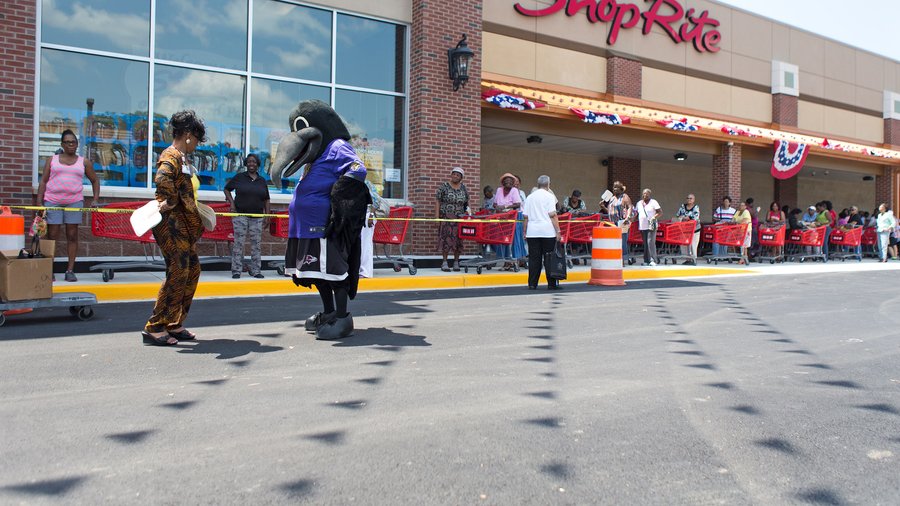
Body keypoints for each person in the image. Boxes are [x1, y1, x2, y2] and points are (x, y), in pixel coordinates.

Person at [141, 110, 207, 346]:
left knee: (192, 269)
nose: (197, 145)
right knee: (178, 271)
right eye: (197, 139)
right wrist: (171, 201)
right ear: (188, 135)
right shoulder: (171, 156)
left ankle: (174, 322)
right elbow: (162, 178)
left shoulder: (183, 157)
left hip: (182, 227)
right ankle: (155, 326)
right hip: (170, 225)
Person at [36, 129, 100, 282]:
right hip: (52, 200)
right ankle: (49, 270)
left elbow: (95, 180)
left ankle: (70, 270)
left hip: (74, 202)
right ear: (62, 144)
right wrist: (39, 202)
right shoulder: (52, 160)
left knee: (72, 235)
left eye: (74, 142)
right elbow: (43, 181)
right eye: (68, 142)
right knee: (52, 236)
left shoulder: (83, 162)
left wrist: (95, 199)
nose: (71, 144)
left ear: (77, 144)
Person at [224, 153, 270, 279]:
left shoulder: (262, 181)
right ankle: (236, 270)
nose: (251, 164)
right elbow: (227, 189)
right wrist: (232, 204)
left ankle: (256, 270)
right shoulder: (239, 177)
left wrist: (267, 215)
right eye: (249, 162)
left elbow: (266, 199)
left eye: (254, 162)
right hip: (240, 215)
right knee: (238, 243)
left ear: (258, 165)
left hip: (257, 216)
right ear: (246, 163)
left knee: (256, 244)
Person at [523, 175, 563, 290]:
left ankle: (532, 283)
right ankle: (551, 283)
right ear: (548, 184)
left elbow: (525, 217)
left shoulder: (530, 197)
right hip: (547, 232)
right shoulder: (549, 196)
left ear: (538, 184)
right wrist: (558, 231)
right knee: (549, 258)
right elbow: (553, 215)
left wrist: (524, 231)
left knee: (534, 259)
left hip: (532, 232)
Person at [435, 167, 469, 272]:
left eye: (458, 175)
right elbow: (438, 201)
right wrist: (437, 217)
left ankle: (456, 262)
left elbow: (467, 203)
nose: (455, 176)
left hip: (460, 218)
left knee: (458, 240)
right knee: (446, 239)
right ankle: (444, 262)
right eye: (454, 174)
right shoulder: (444, 186)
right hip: (446, 217)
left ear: (461, 177)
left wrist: (468, 214)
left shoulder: (463, 188)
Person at [493, 173, 522, 262]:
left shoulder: (514, 190)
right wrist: (497, 207)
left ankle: (512, 260)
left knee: (511, 239)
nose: (508, 182)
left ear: (513, 183)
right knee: (501, 239)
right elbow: (494, 204)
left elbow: (518, 204)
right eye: (506, 180)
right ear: (503, 182)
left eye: (510, 180)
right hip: (501, 218)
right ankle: (503, 259)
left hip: (511, 218)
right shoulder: (499, 190)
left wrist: (505, 207)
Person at [604, 181, 633, 261]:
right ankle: (615, 257)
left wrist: (627, 217)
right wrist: (603, 207)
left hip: (622, 221)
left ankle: (623, 258)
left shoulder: (624, 196)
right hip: (613, 222)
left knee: (622, 240)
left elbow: (630, 207)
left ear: (621, 189)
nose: (615, 189)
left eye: (617, 187)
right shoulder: (612, 198)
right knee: (614, 240)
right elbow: (610, 211)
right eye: (614, 187)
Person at [636, 188, 661, 266]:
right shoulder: (639, 203)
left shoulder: (653, 202)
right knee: (645, 243)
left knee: (650, 242)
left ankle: (653, 259)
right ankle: (646, 260)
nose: (645, 195)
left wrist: (654, 217)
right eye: (644, 193)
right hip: (642, 226)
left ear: (649, 194)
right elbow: (636, 214)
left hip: (651, 225)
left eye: (647, 193)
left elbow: (660, 212)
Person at [674, 193, 700, 264]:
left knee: (693, 245)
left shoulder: (696, 207)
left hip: (694, 229)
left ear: (694, 200)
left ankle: (693, 259)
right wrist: (684, 218)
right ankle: (687, 259)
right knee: (683, 244)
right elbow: (678, 215)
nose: (689, 200)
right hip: (684, 229)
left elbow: (695, 217)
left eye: (690, 198)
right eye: (688, 198)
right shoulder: (682, 207)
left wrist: (685, 218)